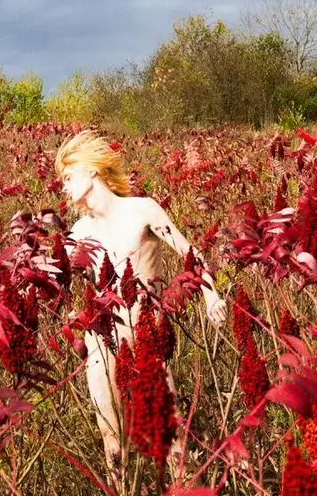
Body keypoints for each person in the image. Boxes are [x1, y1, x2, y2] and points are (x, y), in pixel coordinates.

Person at [54, 130, 227, 481]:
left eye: (68, 177)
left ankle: (183, 488)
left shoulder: (141, 210)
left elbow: (189, 254)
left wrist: (210, 294)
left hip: (146, 335)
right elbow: (69, 291)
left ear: (92, 171)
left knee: (171, 430)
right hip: (103, 344)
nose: (64, 188)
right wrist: (73, 317)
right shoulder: (77, 233)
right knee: (111, 435)